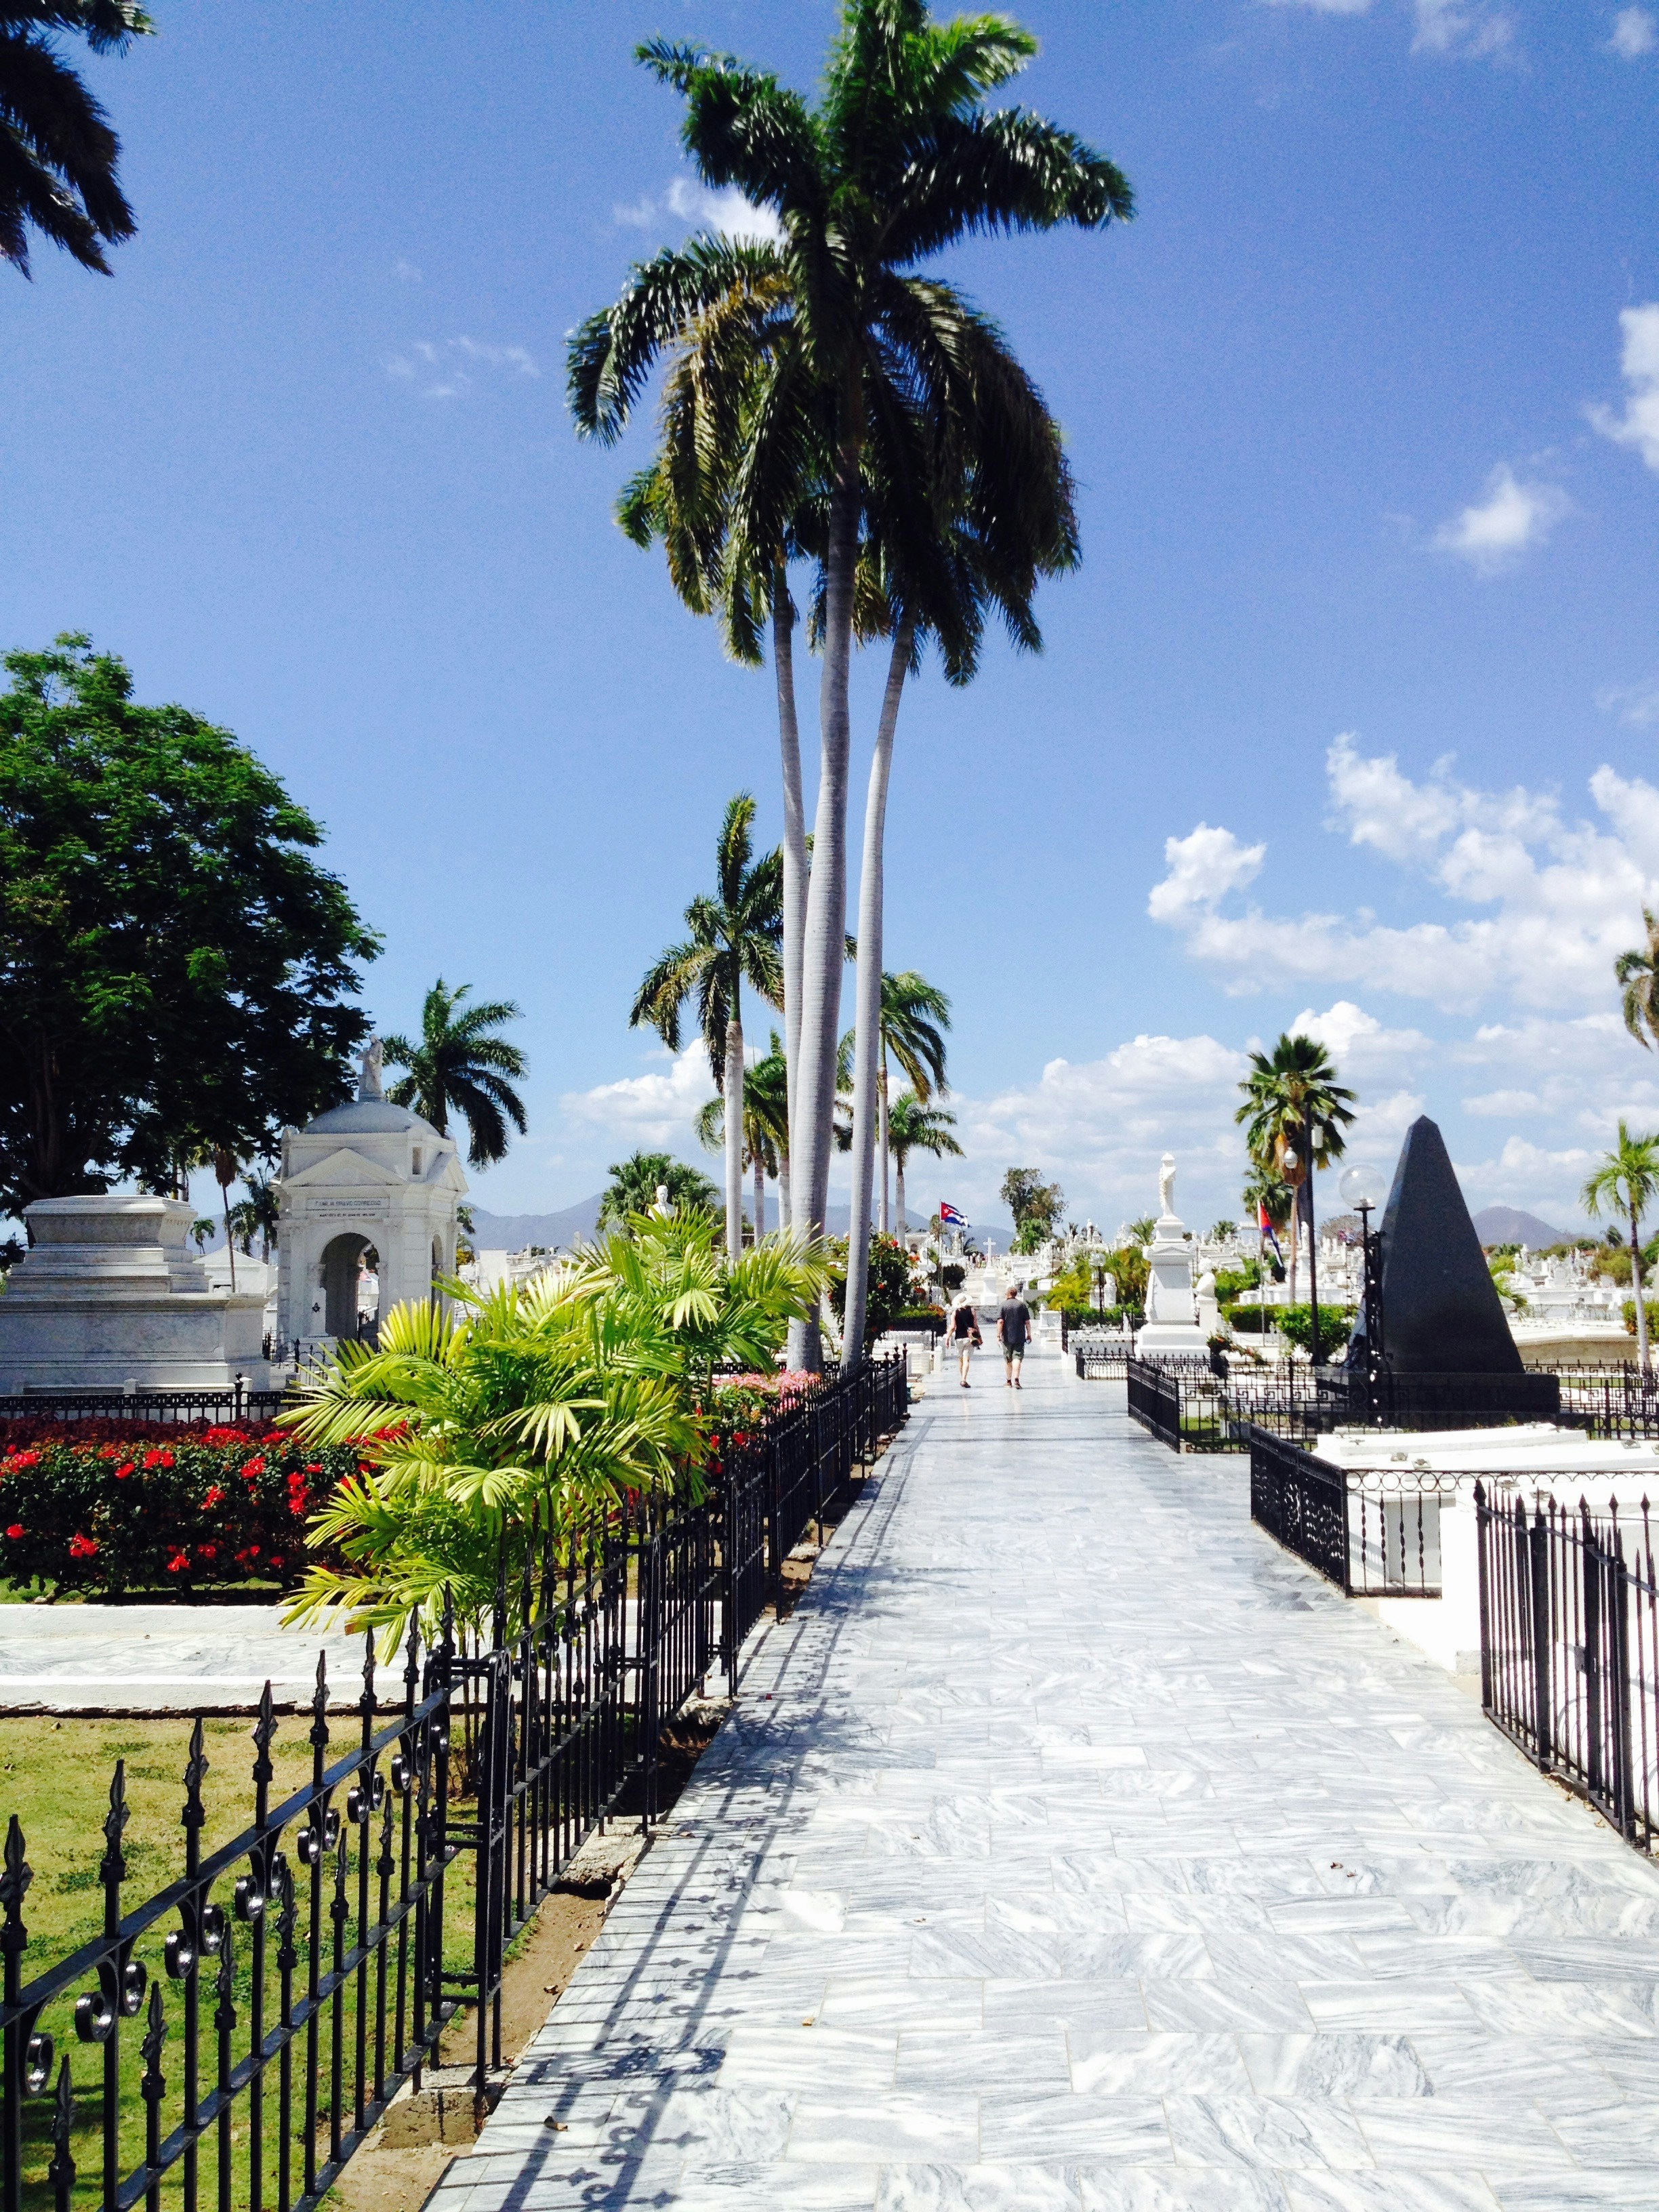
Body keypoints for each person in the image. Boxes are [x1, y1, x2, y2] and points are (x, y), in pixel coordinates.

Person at [998, 1284, 1031, 1388]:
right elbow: (1027, 1322)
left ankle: (1008, 1381)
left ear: (1008, 1294)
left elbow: (1000, 1322)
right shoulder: (1022, 1305)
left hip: (1007, 1337)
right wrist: (1029, 1334)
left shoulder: (1003, 1305)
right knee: (1017, 1358)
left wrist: (998, 1336)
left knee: (1008, 1360)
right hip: (1020, 1336)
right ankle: (1016, 1379)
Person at [949, 1293, 981, 1387]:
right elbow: (975, 1325)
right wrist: (979, 1336)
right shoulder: (972, 1311)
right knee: (966, 1360)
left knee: (961, 1360)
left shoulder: (955, 1313)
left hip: (958, 1339)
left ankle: (962, 1378)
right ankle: (964, 1379)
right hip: (969, 1338)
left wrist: (947, 1338)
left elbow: (952, 1327)